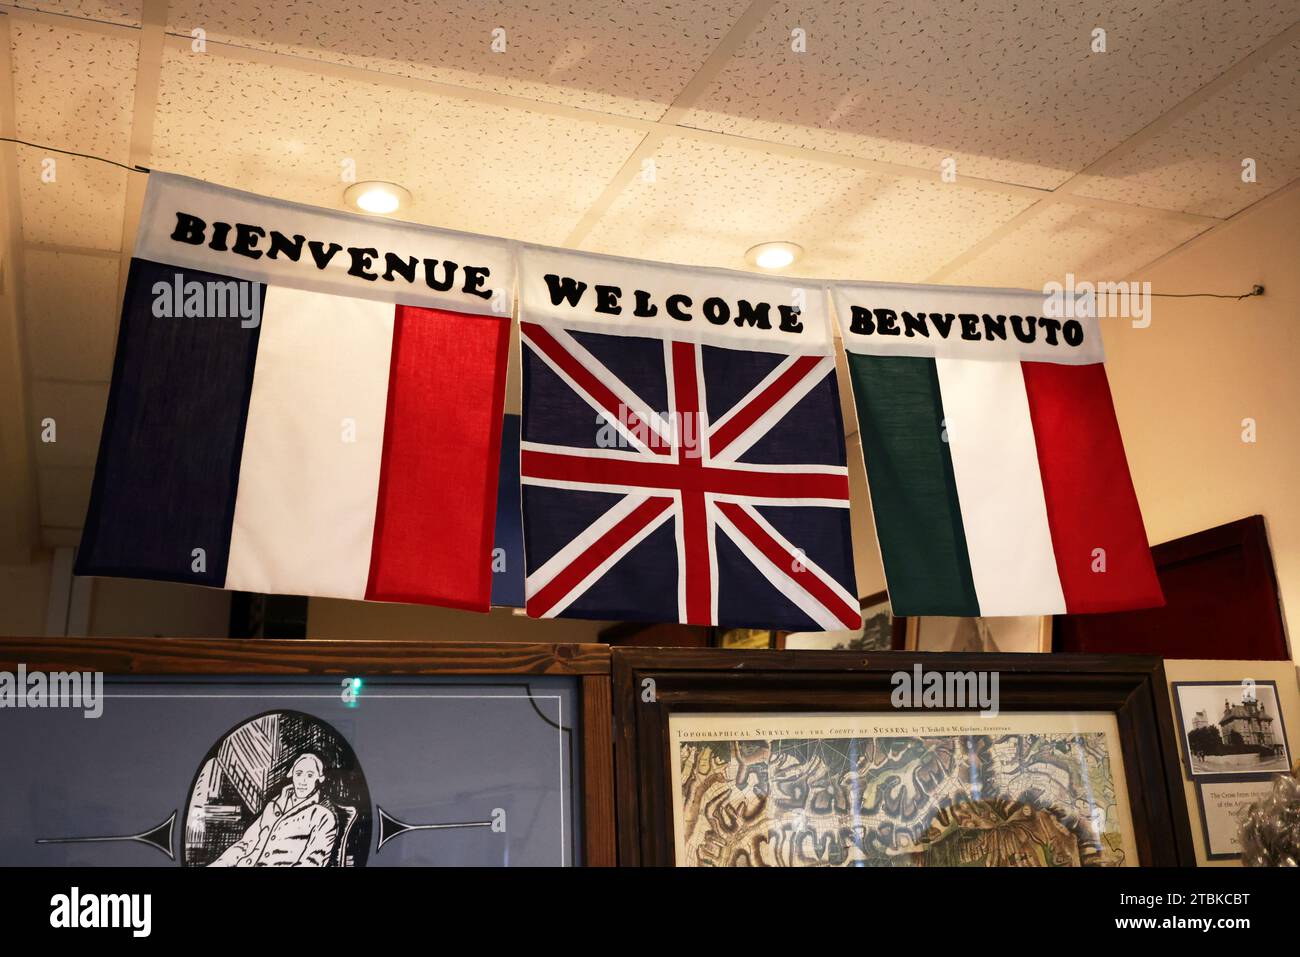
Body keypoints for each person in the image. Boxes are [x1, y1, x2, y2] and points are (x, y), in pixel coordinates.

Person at [211, 753, 338, 867]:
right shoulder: (273, 805)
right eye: (299, 773)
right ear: (292, 775)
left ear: (319, 779)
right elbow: (246, 843)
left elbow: (313, 862)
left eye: (310, 775)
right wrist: (220, 864)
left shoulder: (323, 816)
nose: (303, 780)